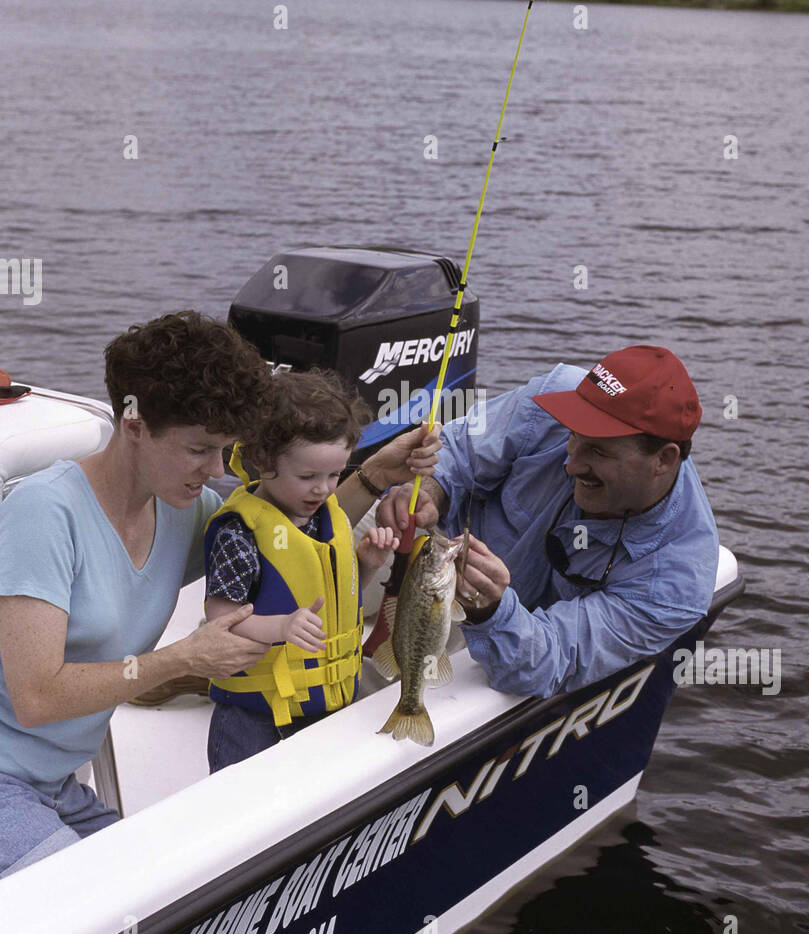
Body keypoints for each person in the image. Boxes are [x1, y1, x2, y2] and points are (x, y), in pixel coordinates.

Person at [0, 313, 438, 878]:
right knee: (106, 912)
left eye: (224, 450)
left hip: (55, 783)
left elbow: (282, 540)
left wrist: (374, 476)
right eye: (200, 450)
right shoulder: (44, 514)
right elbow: (38, 697)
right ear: (133, 425)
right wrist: (182, 659)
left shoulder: (183, 507)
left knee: (166, 896)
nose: (214, 471)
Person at [377, 346, 719, 699]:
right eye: (573, 436)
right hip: (433, 549)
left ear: (664, 459)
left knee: (390, 685)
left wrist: (491, 609)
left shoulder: (676, 582)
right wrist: (432, 490)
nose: (571, 465)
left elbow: (552, 659)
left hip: (497, 627)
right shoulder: (555, 397)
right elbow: (459, 450)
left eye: (598, 451)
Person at [204, 369, 401, 772]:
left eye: (334, 474)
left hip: (328, 707)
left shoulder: (326, 520)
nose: (324, 490)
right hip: (254, 721)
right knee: (248, 818)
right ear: (263, 460)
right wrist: (280, 628)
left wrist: (363, 567)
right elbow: (219, 620)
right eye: (308, 476)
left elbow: (329, 601)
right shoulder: (241, 533)